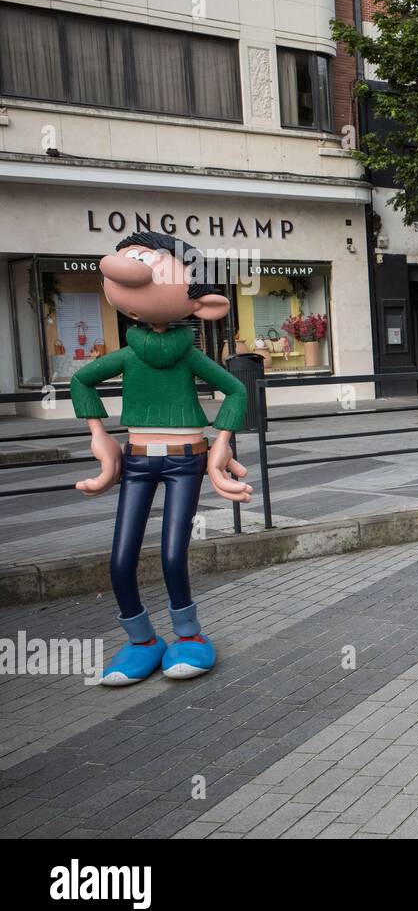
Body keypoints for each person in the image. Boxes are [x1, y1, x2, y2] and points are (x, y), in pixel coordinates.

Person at [71, 232, 252, 686]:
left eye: (153, 265)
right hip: (134, 459)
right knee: (119, 558)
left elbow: (236, 389)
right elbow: (81, 381)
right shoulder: (129, 354)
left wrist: (219, 448)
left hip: (185, 459)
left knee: (174, 553)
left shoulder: (189, 354)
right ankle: (142, 641)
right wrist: (101, 439)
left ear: (203, 305)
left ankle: (188, 637)